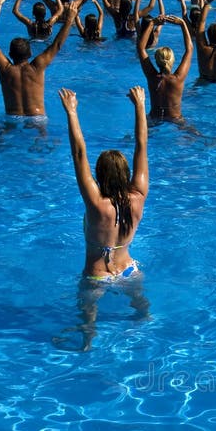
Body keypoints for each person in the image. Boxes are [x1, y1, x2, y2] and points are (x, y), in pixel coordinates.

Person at [58, 86, 149, 350]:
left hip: (97, 276)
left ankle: (87, 343)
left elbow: (79, 154)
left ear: (99, 175)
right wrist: (140, 105)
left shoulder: (97, 204)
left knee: (89, 322)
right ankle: (145, 328)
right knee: (142, 311)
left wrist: (72, 112)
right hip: (129, 271)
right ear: (126, 174)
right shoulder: (139, 195)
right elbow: (141, 145)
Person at [0, 0, 77, 118]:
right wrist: (69, 19)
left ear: (10, 54)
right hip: (36, 118)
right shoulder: (37, 66)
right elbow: (57, 44)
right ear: (30, 53)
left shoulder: (5, 69)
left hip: (12, 117)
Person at [136, 14, 193, 121]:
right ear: (173, 60)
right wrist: (183, 24)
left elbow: (141, 48)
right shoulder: (178, 79)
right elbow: (189, 49)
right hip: (175, 118)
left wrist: (152, 23)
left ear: (157, 61)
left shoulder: (152, 76)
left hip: (154, 117)